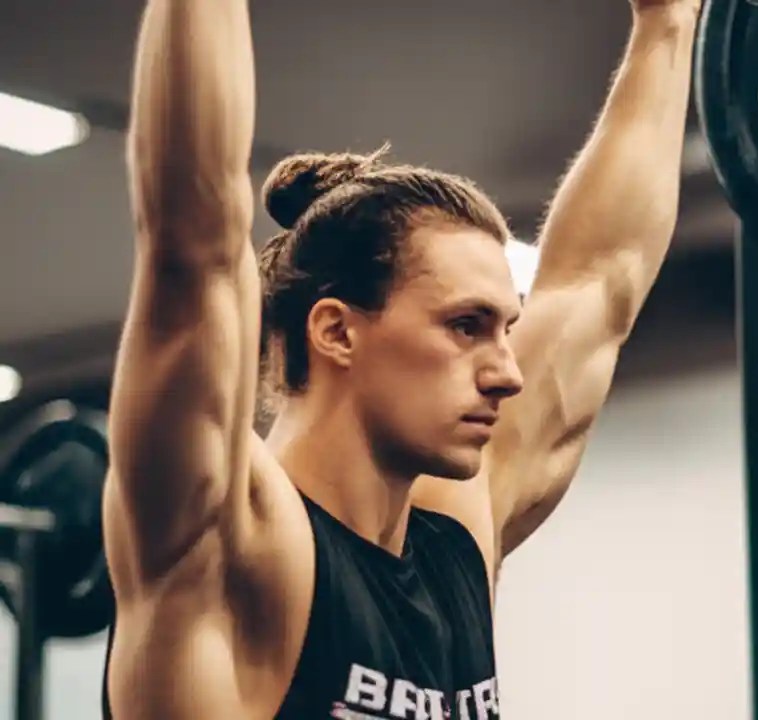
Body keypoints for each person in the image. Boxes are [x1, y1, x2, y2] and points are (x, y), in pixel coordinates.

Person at [100, 0, 700, 717]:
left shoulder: (456, 542)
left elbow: (602, 277)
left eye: (508, 327)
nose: (508, 372)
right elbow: (191, 238)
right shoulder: (237, 546)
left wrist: (670, 22)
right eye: (466, 326)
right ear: (336, 331)